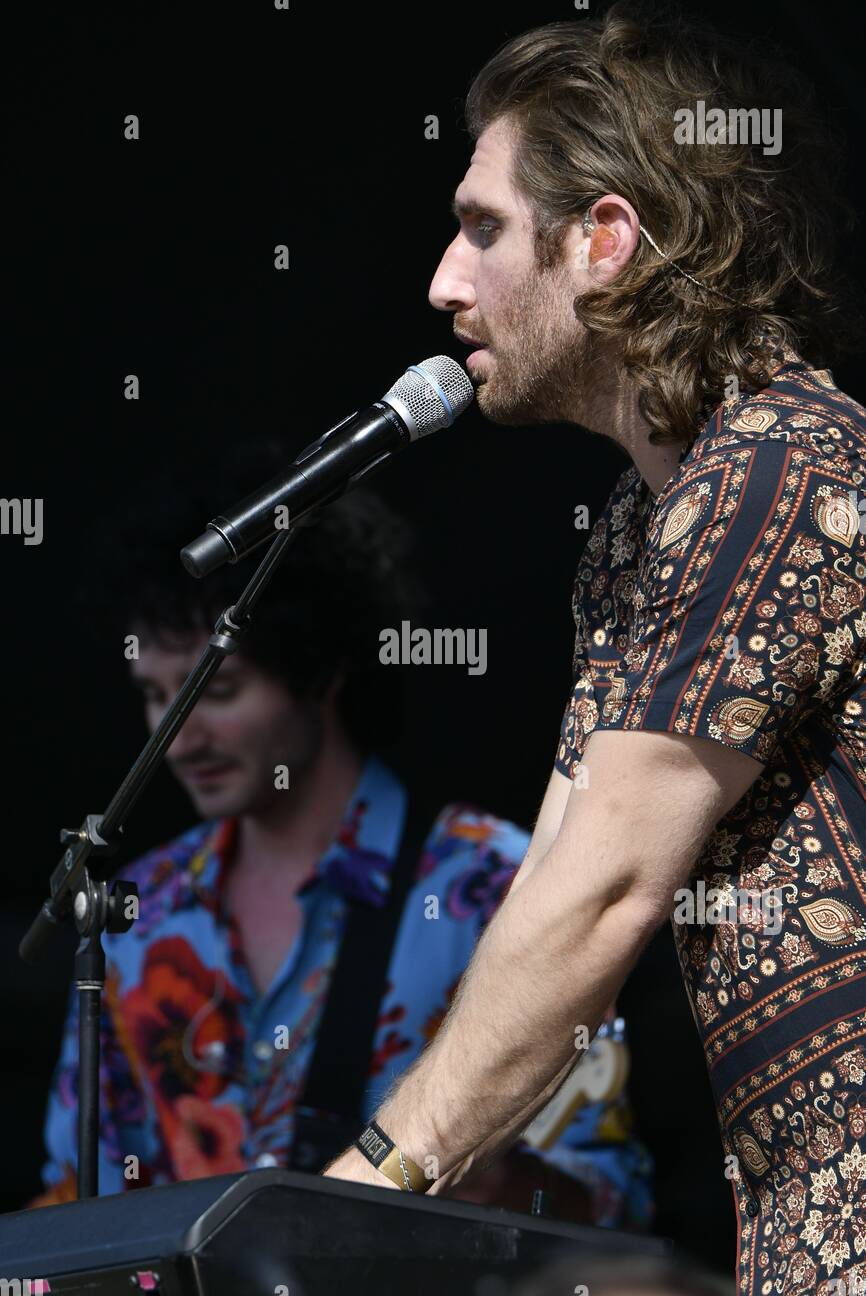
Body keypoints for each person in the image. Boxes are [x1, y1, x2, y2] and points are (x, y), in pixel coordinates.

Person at [321, 7, 866, 1296]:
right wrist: (360, 1196)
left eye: (483, 227)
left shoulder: (778, 462)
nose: (445, 282)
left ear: (604, 241)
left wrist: (367, 1185)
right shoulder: (644, 522)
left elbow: (604, 898)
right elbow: (557, 893)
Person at [28, 453, 653, 1233]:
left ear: (319, 673)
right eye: (155, 696)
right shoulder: (134, 910)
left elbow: (609, 1201)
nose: (177, 736)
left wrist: (480, 1168)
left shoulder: (497, 881)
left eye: (216, 691)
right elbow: (68, 1206)